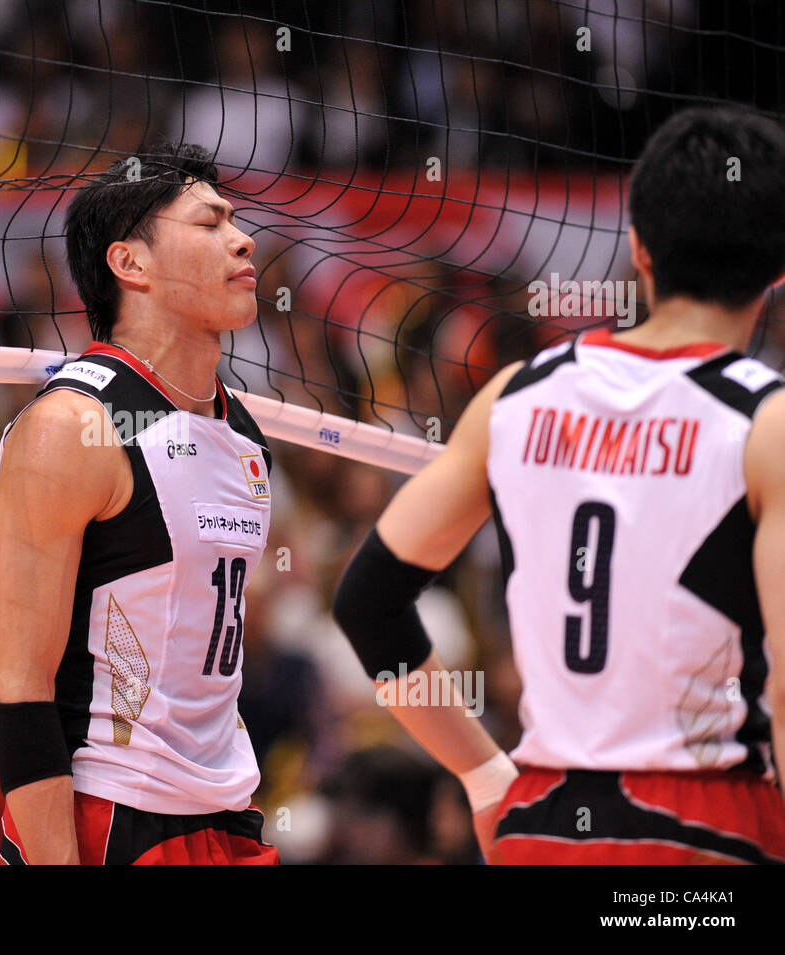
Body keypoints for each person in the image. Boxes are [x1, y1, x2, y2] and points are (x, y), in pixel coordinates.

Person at [332, 105, 785, 864]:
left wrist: (482, 773)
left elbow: (367, 601)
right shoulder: (766, 424)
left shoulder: (516, 395)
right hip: (709, 828)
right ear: (777, 267)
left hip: (542, 822)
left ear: (639, 250)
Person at [0, 143, 278, 865]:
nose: (242, 239)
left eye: (235, 221)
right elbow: (19, 695)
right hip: (109, 820)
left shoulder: (241, 427)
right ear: (131, 264)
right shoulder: (71, 428)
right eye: (208, 225)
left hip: (224, 815)